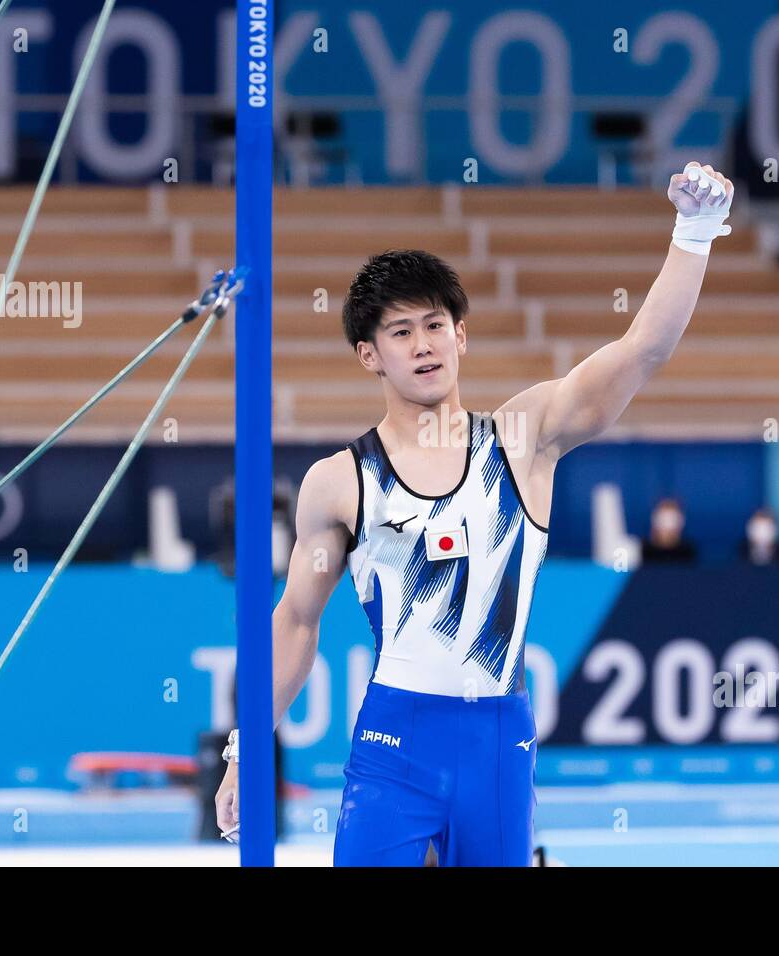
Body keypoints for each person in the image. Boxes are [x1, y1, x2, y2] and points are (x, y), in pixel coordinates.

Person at [215, 162, 735, 866]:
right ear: (369, 354)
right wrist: (246, 749)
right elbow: (296, 621)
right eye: (401, 332)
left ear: (462, 335)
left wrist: (694, 234)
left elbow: (642, 352)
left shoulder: (526, 439)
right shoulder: (339, 483)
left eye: (436, 324)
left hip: (497, 743)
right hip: (392, 744)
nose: (424, 344)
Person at [640, 496, 698, 563]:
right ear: (654, 521)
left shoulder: (689, 553)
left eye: (672, 520)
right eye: (663, 520)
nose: (667, 527)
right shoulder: (641, 552)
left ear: (680, 523)